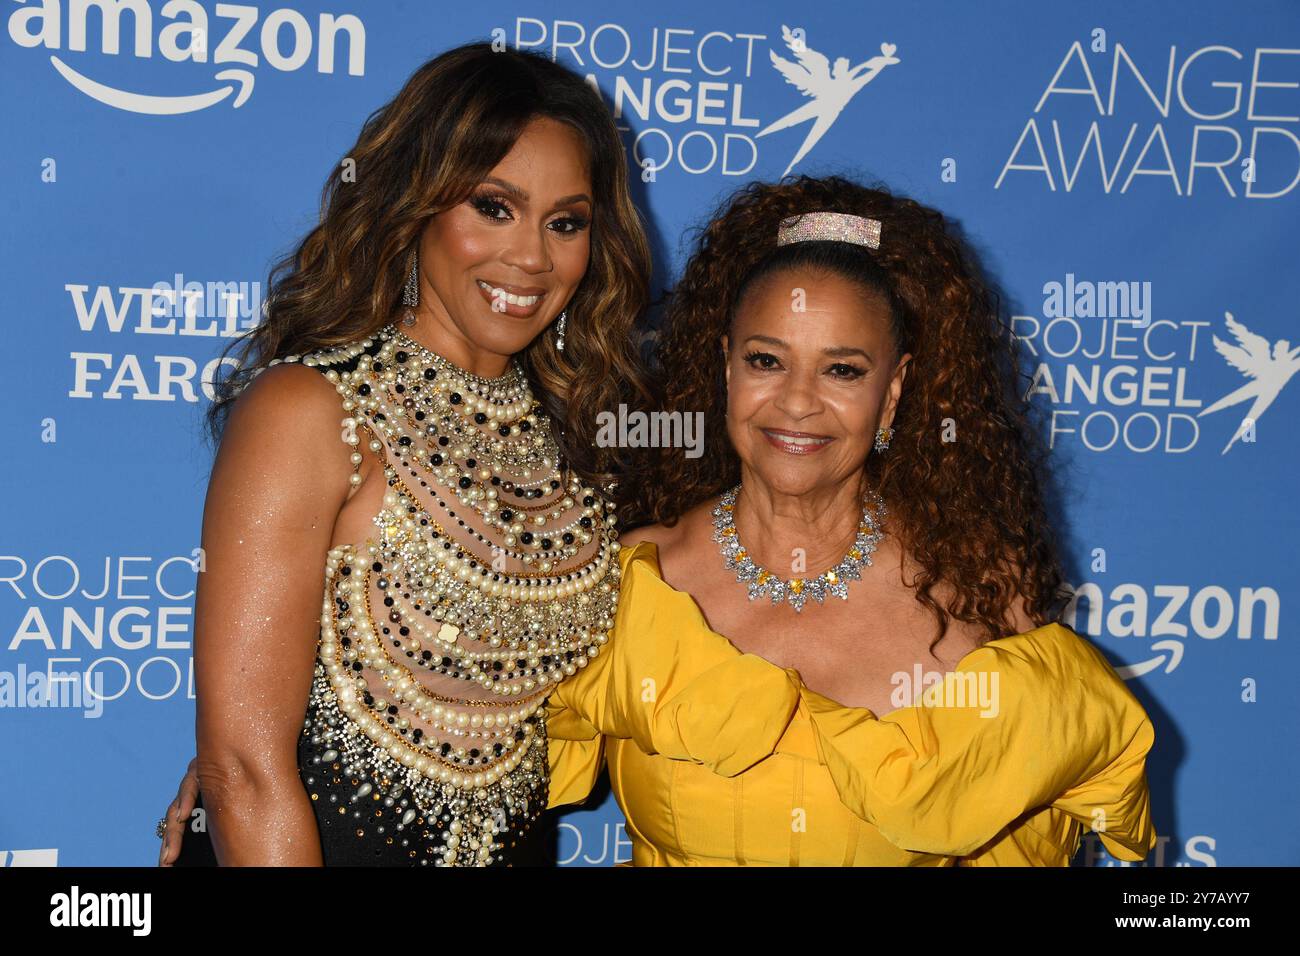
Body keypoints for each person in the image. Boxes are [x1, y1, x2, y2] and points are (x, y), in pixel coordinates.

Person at [158, 42, 793, 867]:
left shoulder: (589, 434)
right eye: (494, 207)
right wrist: (219, 762)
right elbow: (244, 767)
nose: (531, 257)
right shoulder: (312, 409)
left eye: (565, 222)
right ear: (414, 207)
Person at [542, 176, 1158, 865]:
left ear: (892, 393)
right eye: (767, 361)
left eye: (842, 370)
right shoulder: (631, 586)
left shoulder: (978, 588)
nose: (797, 402)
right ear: (725, 367)